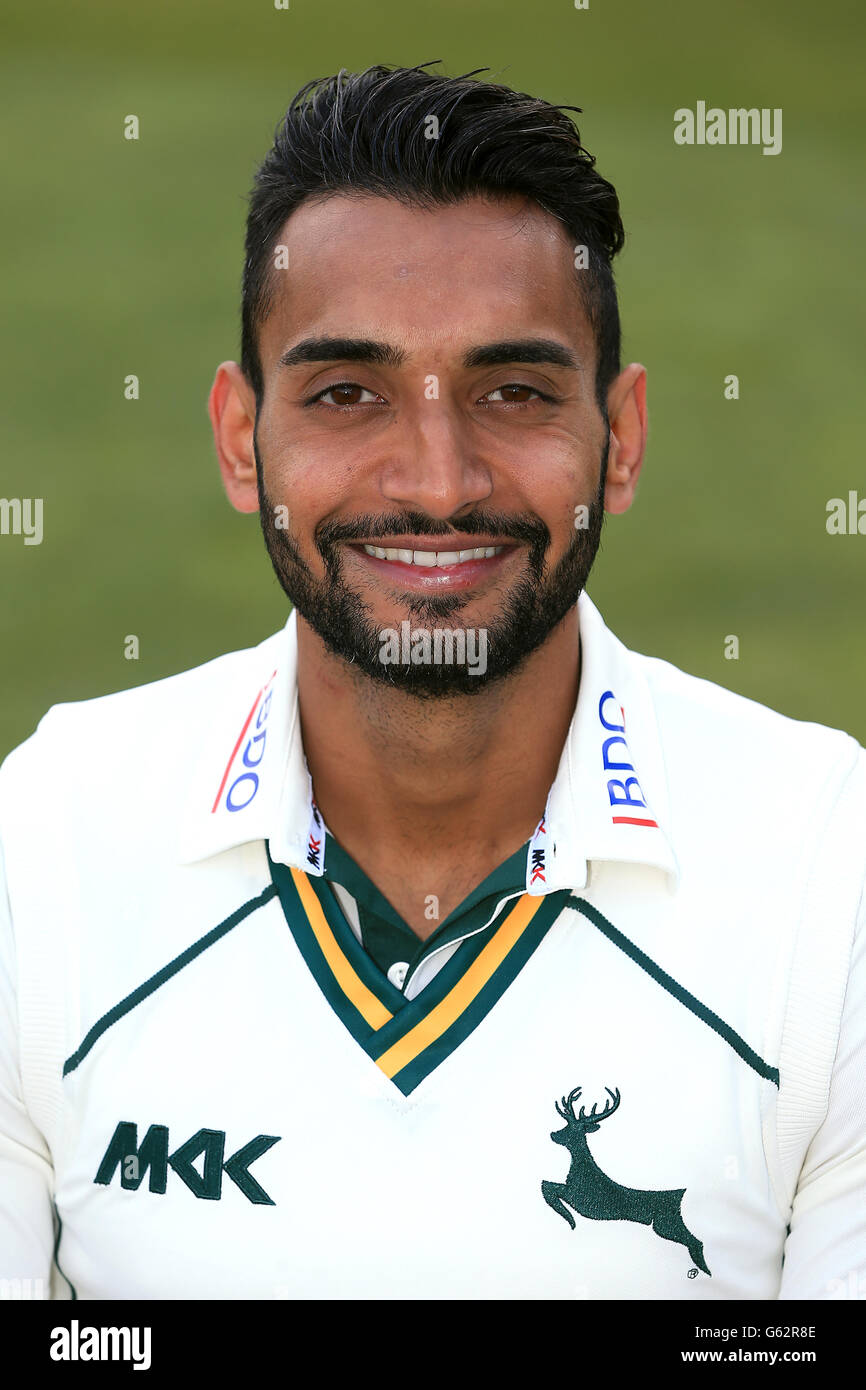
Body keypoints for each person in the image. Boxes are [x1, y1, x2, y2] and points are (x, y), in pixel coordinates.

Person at [1, 62, 863, 1301]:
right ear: (243, 441)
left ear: (618, 439)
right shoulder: (45, 843)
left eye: (510, 392)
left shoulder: (828, 871)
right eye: (345, 394)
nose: (438, 479)